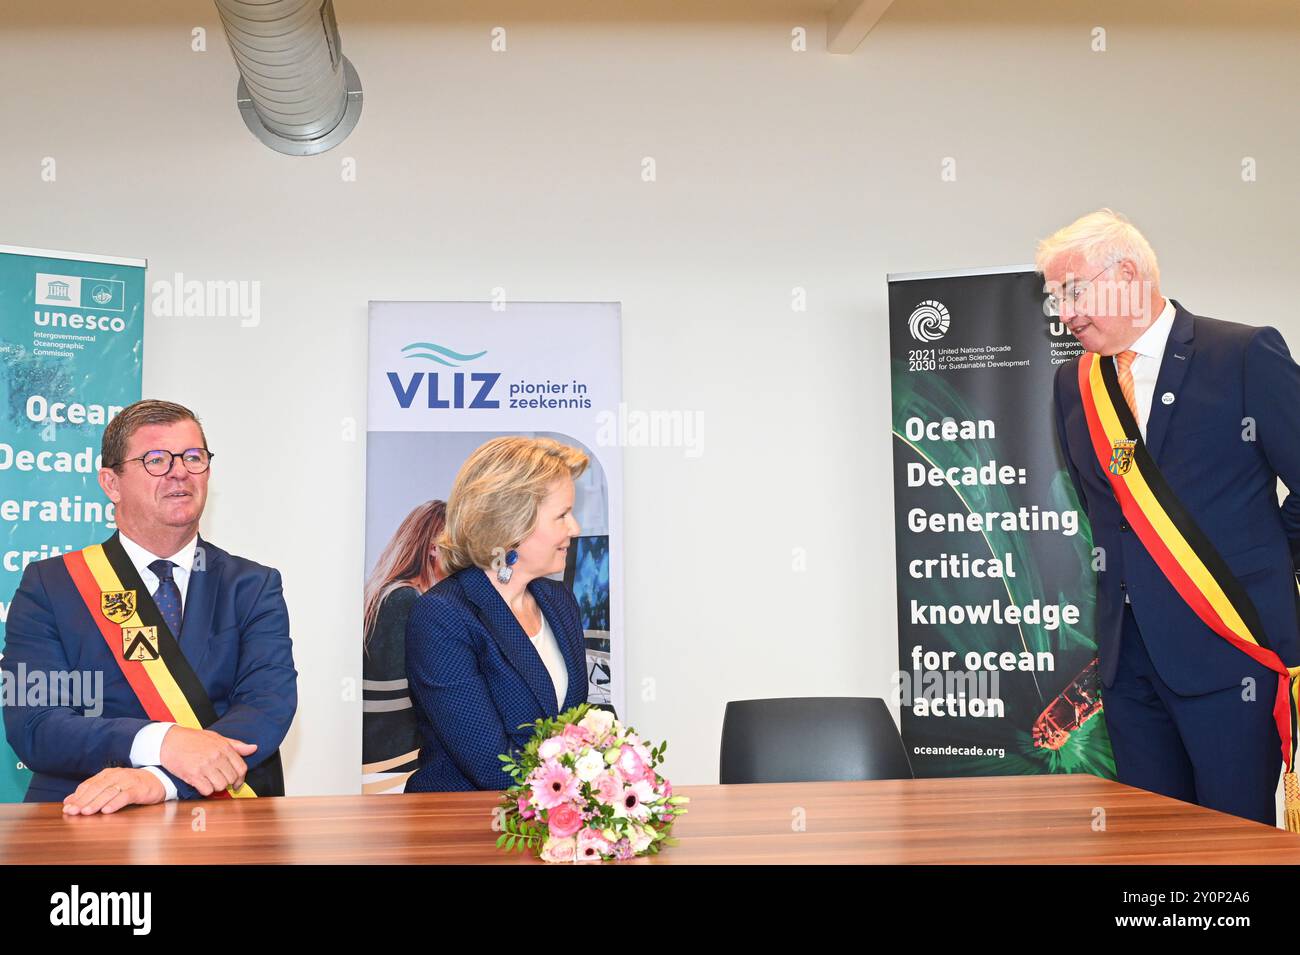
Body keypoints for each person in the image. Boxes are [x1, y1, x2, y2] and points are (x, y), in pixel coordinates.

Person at [1044, 209, 1300, 826]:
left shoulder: (1241, 353)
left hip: (1230, 651)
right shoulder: (1071, 384)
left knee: (1231, 844)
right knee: (1149, 844)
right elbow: (1105, 515)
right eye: (1055, 299)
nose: (1063, 315)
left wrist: (1256, 564)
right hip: (1129, 667)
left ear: (1127, 274)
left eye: (1072, 292)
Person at [1, 399, 297, 812]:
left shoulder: (252, 585)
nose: (180, 471)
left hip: (224, 815)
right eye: (156, 459)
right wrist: (162, 742)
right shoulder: (51, 585)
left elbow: (266, 709)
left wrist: (158, 780)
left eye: (194, 457)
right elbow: (36, 725)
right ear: (111, 483)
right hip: (87, 814)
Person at [405, 436, 591, 792]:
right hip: (461, 830)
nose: (575, 528)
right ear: (511, 523)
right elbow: (493, 768)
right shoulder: (443, 616)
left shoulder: (558, 601)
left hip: (548, 826)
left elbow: (573, 729)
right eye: (562, 515)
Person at [362, 499, 447, 793]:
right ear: (434, 546)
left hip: (380, 761)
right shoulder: (405, 600)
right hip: (393, 765)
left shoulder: (388, 593)